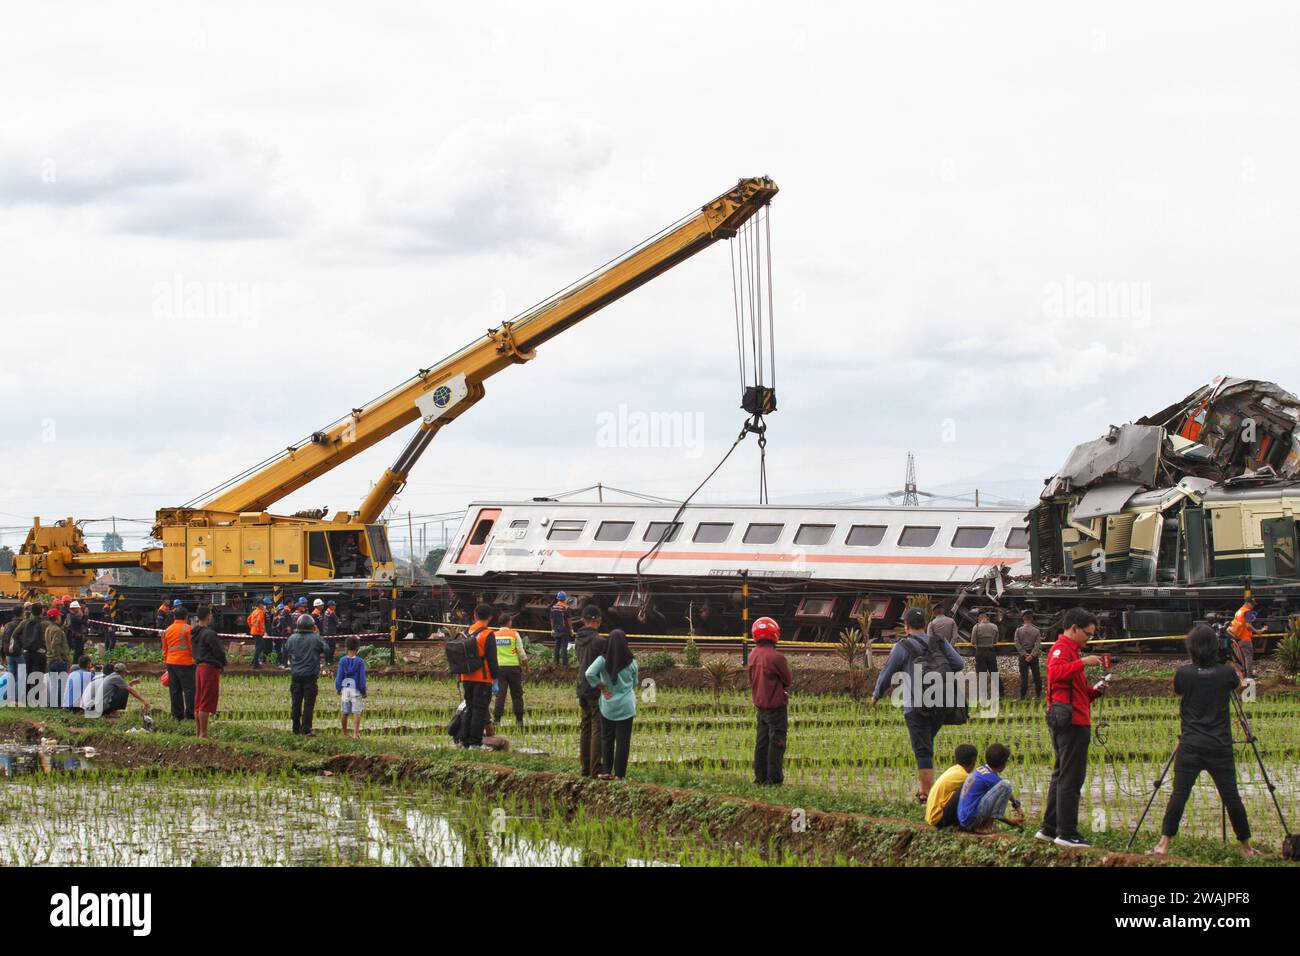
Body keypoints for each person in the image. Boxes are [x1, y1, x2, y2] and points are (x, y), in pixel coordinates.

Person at [1149, 625, 1258, 859]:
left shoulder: (1183, 673)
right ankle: (1246, 847)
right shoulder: (1226, 673)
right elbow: (1239, 684)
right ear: (1215, 647)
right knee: (1231, 796)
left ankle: (1163, 844)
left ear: (1191, 648)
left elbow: (1178, 690)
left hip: (1190, 745)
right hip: (1220, 745)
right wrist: (1234, 664)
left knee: (1179, 794)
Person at [871, 606, 966, 801]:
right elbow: (959, 663)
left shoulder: (902, 647)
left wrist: (876, 695)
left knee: (922, 749)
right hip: (941, 703)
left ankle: (928, 795)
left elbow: (887, 674)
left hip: (916, 706)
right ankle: (924, 789)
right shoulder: (939, 642)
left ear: (906, 626)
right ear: (925, 625)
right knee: (926, 744)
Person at [1037, 607, 1106, 849]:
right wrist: (1083, 663)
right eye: (1088, 634)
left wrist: (1095, 690)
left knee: (1061, 774)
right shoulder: (1061, 649)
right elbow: (1055, 674)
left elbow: (1076, 691)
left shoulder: (1072, 652)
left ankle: (1049, 828)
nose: (1089, 639)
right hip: (1072, 722)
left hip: (1073, 716)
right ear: (1074, 628)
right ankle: (1067, 832)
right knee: (1071, 777)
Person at [585, 628, 638, 780]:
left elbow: (589, 673)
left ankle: (606, 771)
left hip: (608, 705)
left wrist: (601, 685)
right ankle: (620, 775)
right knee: (623, 742)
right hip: (626, 706)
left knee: (606, 738)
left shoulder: (602, 660)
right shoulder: (632, 662)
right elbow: (635, 684)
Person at [747, 616, 792, 785]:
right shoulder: (777, 657)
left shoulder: (752, 655)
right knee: (777, 742)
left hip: (760, 707)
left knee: (762, 742)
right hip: (776, 708)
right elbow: (788, 680)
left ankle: (760, 778)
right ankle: (774, 779)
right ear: (774, 634)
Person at [455, 604, 499, 748]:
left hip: (466, 677)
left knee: (470, 708)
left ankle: (465, 741)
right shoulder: (488, 634)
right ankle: (475, 742)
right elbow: (492, 659)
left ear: (474, 615)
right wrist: (495, 679)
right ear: (490, 618)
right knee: (479, 711)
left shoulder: (467, 631)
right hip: (482, 678)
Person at [957, 744, 1024, 833]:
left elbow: (1009, 794)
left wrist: (1017, 807)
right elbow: (1006, 789)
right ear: (1003, 763)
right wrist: (1011, 822)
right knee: (1006, 785)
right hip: (971, 820)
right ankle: (987, 826)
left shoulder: (982, 770)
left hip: (963, 819)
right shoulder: (991, 778)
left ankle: (983, 825)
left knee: (1004, 786)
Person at [573, 604, 607, 776]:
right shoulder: (599, 641)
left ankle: (585, 768)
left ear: (582, 620)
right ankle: (596, 769)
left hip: (581, 685)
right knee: (597, 727)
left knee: (585, 726)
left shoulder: (577, 638)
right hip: (595, 686)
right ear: (598, 620)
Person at [286, 613, 329, 735]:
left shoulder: (292, 638)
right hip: (310, 676)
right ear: (312, 626)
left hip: (296, 675)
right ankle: (306, 728)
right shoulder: (315, 638)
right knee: (308, 703)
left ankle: (295, 727)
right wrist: (318, 635)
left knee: (296, 702)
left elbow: (286, 651)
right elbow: (326, 649)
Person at [191, 605, 226, 740]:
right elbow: (219, 651)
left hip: (199, 668)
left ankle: (198, 732)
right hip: (209, 669)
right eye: (210, 614)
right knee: (206, 700)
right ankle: (204, 734)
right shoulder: (209, 633)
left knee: (199, 701)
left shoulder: (194, 632)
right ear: (208, 616)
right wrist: (222, 664)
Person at [926, 743, 978, 828]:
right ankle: (969, 823)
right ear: (973, 760)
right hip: (938, 819)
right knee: (969, 787)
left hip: (932, 816)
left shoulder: (954, 769)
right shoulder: (964, 776)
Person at [491, 612, 528, 726]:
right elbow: (521, 653)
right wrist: (526, 666)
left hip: (499, 668)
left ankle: (497, 720)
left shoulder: (494, 635)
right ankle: (519, 720)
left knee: (500, 695)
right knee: (517, 694)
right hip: (513, 668)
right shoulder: (514, 634)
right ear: (509, 622)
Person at [161, 605, 196, 720]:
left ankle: (177, 716)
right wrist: (195, 660)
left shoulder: (167, 630)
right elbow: (192, 647)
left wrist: (167, 661)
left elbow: (165, 649)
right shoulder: (188, 629)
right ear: (186, 617)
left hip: (171, 662)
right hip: (185, 663)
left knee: (175, 690)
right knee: (189, 690)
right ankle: (190, 715)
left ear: (174, 617)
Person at [82, 662, 149, 718]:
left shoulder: (112, 676)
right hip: (98, 709)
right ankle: (112, 712)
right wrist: (144, 701)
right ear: (122, 672)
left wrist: (131, 683)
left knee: (121, 690)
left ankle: (111, 712)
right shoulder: (117, 677)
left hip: (93, 707)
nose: (125, 675)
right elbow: (130, 690)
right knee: (125, 691)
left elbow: (123, 687)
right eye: (125, 673)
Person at [336, 636, 367, 739]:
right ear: (357, 648)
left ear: (346, 647)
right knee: (356, 712)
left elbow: (339, 676)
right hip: (356, 690)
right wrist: (363, 690)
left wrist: (338, 688)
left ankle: (344, 733)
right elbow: (362, 678)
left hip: (345, 690)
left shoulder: (342, 661)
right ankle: (355, 734)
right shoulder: (360, 662)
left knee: (344, 712)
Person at [1226, 598, 1260, 678]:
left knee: (1241, 657)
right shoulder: (1247, 611)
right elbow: (1248, 625)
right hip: (1245, 638)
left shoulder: (1239, 611)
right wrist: (1257, 631)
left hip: (1238, 637)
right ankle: (1249, 675)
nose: (1253, 606)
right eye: (1252, 604)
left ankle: (1244, 673)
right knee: (1248, 656)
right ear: (1247, 603)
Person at [44, 608, 70, 707]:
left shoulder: (48, 628)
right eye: (59, 616)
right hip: (58, 660)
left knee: (53, 683)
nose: (61, 618)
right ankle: (59, 704)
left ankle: (52, 703)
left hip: (50, 659)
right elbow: (56, 645)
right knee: (61, 683)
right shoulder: (57, 630)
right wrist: (60, 659)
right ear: (56, 618)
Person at [971, 611, 1000, 701]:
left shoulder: (976, 627)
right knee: (994, 673)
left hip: (980, 652)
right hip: (991, 651)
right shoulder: (994, 627)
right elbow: (995, 641)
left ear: (979, 618)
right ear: (987, 618)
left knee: (982, 675)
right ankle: (1000, 694)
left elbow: (973, 642)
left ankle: (983, 696)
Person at [1014, 611, 1042, 700]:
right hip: (1033, 656)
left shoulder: (1018, 630)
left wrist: (1024, 654)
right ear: (1032, 619)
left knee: (1024, 677)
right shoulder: (1036, 630)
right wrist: (1032, 655)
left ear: (1023, 619)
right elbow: (1037, 644)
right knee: (1036, 675)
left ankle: (1022, 696)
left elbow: (1017, 643)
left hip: (1023, 656)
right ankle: (1038, 696)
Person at [550, 592, 573, 666]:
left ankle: (556, 662)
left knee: (557, 646)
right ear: (565, 598)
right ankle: (565, 664)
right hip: (564, 629)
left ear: (557, 598)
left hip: (556, 629)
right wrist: (571, 629)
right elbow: (569, 620)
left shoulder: (553, 607)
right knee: (564, 647)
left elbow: (552, 619)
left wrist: (552, 628)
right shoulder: (566, 607)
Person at [247, 598, 269, 669]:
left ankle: (253, 662)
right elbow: (260, 622)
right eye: (263, 604)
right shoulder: (260, 612)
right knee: (260, 647)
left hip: (254, 631)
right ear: (260, 605)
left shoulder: (254, 611)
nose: (263, 606)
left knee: (258, 647)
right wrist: (263, 631)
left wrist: (252, 627)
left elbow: (248, 619)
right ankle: (255, 664)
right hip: (258, 632)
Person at [320, 599, 338, 665]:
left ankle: (327, 660)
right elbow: (337, 621)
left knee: (327, 647)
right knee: (332, 646)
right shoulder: (331, 612)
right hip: (331, 632)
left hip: (326, 632)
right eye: (333, 605)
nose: (335, 606)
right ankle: (330, 660)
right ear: (330, 606)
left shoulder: (326, 612)